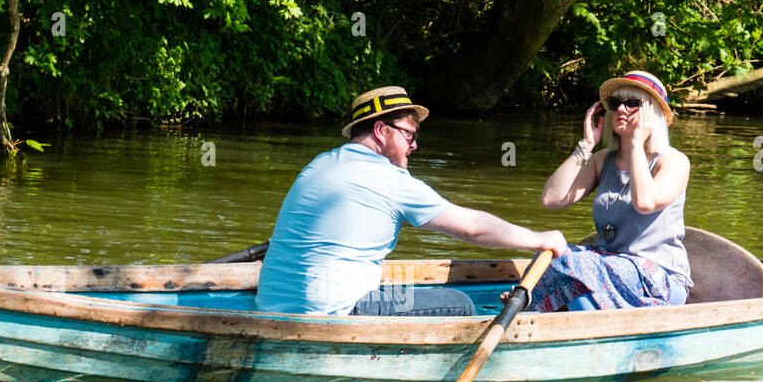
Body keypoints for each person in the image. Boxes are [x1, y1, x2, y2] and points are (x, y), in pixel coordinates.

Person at [255, 86, 567, 316]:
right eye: (408, 134)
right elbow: (472, 228)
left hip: (269, 306)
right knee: (459, 304)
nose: (414, 145)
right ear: (380, 131)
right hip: (335, 313)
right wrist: (540, 239)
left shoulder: (318, 164)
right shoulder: (390, 181)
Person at [530, 70, 692, 313]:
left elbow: (645, 202)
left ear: (653, 114)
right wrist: (586, 145)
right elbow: (551, 199)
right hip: (604, 268)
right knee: (550, 254)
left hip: (660, 279)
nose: (621, 109)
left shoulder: (674, 161)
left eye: (632, 103)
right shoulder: (602, 160)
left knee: (578, 263)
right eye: (615, 103)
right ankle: (531, 314)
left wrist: (637, 143)